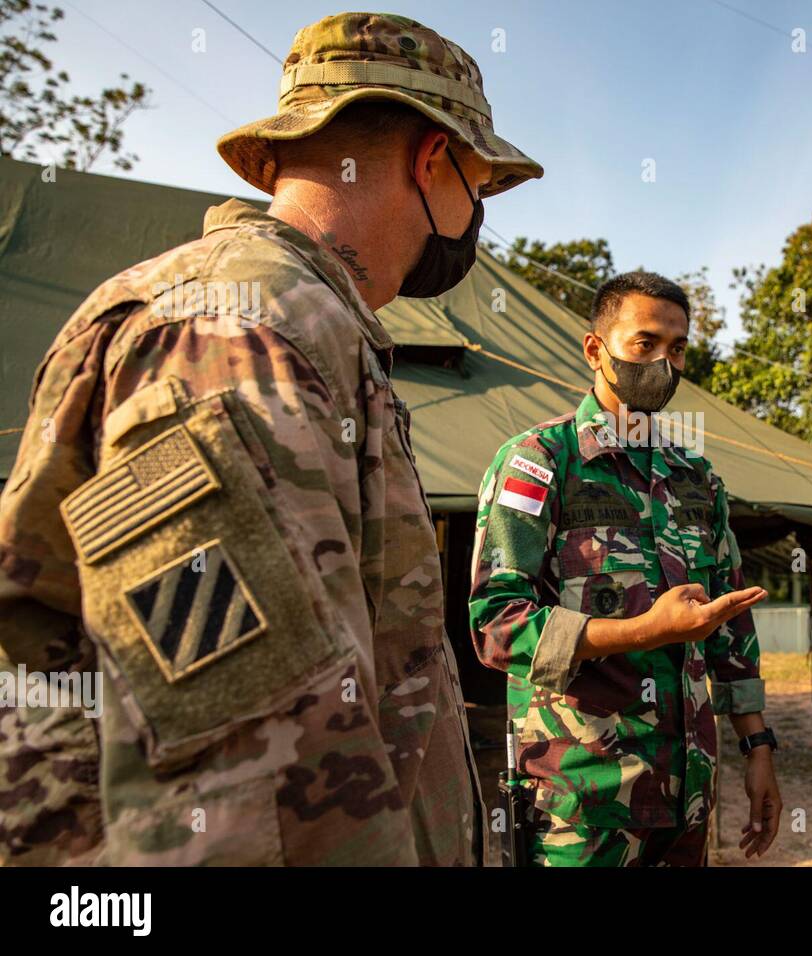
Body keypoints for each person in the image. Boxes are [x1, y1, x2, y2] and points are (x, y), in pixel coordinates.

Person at [0, 12, 541, 865]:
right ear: (432, 160)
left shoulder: (298, 322)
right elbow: (253, 787)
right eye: (478, 185)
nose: (475, 214)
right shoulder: (238, 329)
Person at [467, 271, 780, 866]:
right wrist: (646, 631)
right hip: (583, 802)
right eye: (645, 344)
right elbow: (496, 625)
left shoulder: (697, 478)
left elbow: (731, 625)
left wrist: (758, 746)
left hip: (686, 792)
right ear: (596, 349)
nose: (663, 362)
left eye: (678, 347)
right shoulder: (539, 462)